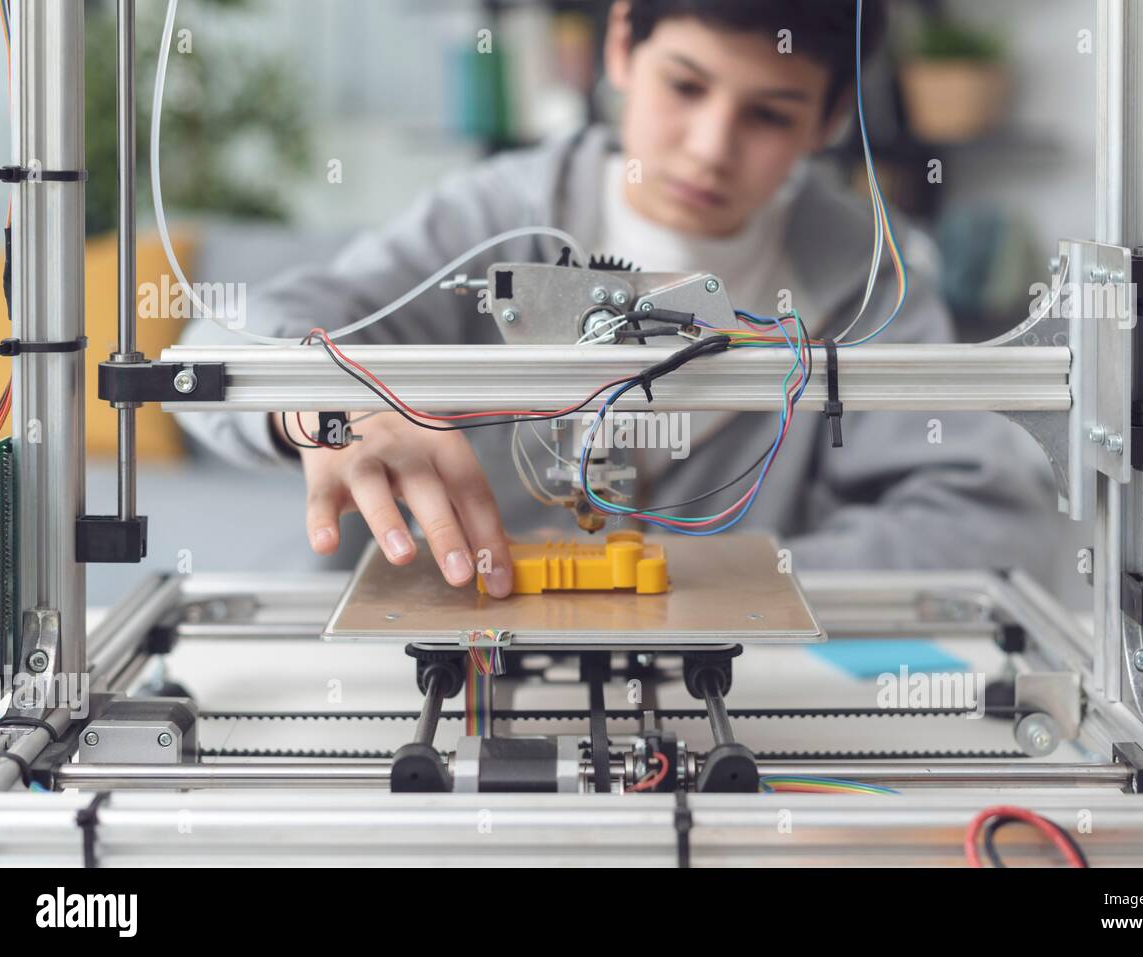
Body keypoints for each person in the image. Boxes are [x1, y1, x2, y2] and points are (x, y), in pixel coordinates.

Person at [180, 0, 1056, 599]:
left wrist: (704, 581)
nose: (711, 148)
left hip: (720, 690)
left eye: (769, 115)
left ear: (829, 126)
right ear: (619, 50)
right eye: (685, 86)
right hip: (445, 669)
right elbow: (213, 349)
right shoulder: (489, 218)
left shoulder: (873, 278)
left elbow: (994, 526)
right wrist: (327, 407)